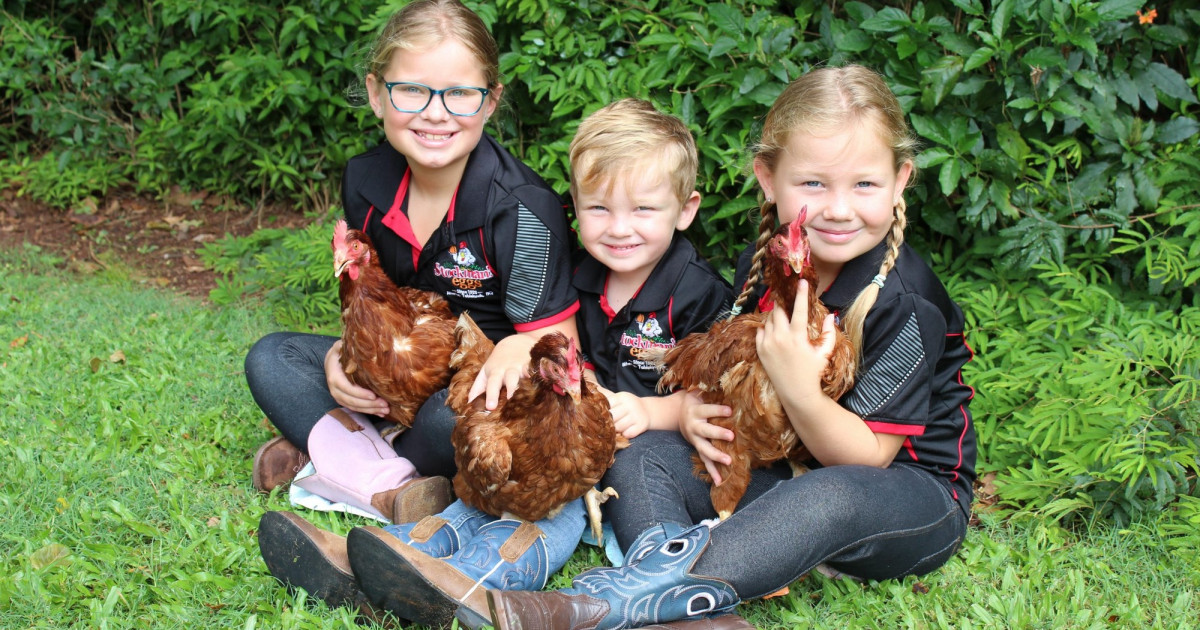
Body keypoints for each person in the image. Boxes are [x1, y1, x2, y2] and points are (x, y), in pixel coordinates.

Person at [484, 64, 978, 630]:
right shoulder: (764, 265)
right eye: (813, 184)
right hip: (786, 466)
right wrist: (690, 416)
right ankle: (688, 607)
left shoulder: (905, 301)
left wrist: (797, 387)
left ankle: (613, 601)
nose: (839, 208)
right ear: (768, 178)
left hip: (903, 495)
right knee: (643, 451)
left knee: (826, 496)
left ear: (901, 180)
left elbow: (866, 458)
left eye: (864, 184)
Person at [258, 99, 741, 629]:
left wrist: (660, 414)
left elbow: (714, 394)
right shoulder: (574, 266)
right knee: (492, 483)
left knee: (545, 505)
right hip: (545, 433)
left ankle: (475, 583)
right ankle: (378, 555)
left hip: (620, 449)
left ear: (686, 208)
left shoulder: (699, 293)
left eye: (643, 210)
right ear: (573, 207)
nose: (619, 228)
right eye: (599, 209)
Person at [248, 0, 579, 610]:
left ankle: (342, 459)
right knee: (274, 358)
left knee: (440, 424)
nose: (435, 113)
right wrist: (341, 364)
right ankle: (393, 486)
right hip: (401, 370)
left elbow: (561, 347)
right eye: (411, 91)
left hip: (476, 397)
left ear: (491, 100)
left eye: (459, 94)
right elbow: (367, 298)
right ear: (376, 94)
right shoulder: (365, 180)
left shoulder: (523, 209)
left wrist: (516, 344)